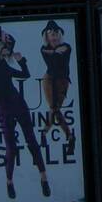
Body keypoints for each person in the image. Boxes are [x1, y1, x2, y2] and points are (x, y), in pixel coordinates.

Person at [0, 26, 51, 200]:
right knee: (12, 147)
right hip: (4, 108)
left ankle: (43, 178)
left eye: (7, 51)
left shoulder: (4, 64)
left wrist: (21, 59)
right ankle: (9, 182)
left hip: (17, 103)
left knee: (31, 140)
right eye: (5, 50)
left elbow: (25, 74)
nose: (6, 53)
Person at [39, 20, 75, 154]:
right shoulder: (43, 49)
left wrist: (54, 53)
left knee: (55, 109)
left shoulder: (67, 46)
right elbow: (53, 59)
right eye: (50, 34)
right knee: (54, 108)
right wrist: (55, 52)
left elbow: (61, 56)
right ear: (46, 36)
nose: (53, 36)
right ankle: (69, 135)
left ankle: (44, 132)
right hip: (49, 79)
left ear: (59, 35)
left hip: (62, 81)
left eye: (55, 33)